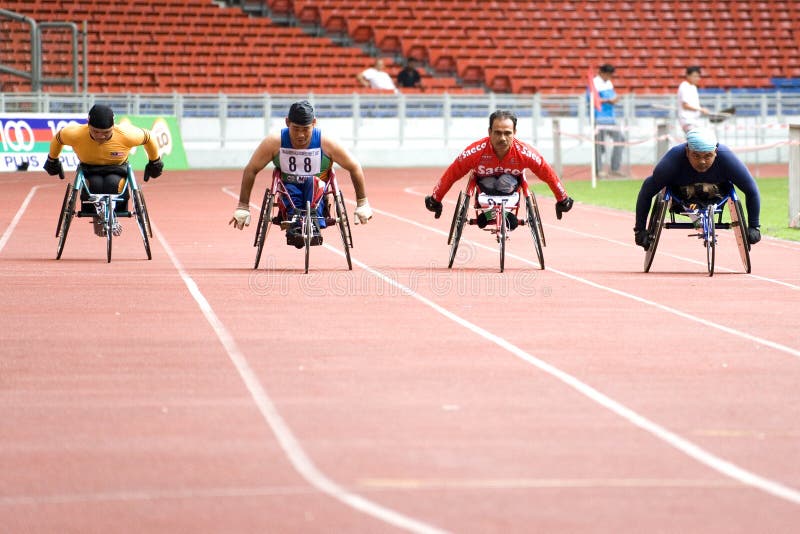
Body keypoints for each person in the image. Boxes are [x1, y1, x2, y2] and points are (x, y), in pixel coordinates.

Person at [229, 100, 373, 248]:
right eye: (295, 129)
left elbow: (354, 167)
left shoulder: (327, 142)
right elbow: (251, 169)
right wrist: (243, 206)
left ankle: (314, 222)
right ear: (287, 123)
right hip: (288, 190)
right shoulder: (274, 142)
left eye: (305, 129)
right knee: (290, 188)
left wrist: (362, 203)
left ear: (314, 123)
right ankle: (295, 225)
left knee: (312, 181)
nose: (300, 135)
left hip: (318, 192)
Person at [423, 109, 574, 226]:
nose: (502, 138)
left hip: (510, 189)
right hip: (484, 187)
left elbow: (548, 174)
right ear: (489, 132)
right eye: (497, 133)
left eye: (507, 133)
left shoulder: (524, 152)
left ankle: (497, 216)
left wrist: (562, 199)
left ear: (515, 133)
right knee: (490, 182)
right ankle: (492, 215)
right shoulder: (474, 152)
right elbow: (452, 173)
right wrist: (436, 199)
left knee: (505, 180)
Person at [42, 104, 163, 236]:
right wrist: (52, 160)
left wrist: (154, 162)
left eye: (106, 132)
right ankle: (104, 214)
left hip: (117, 169)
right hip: (89, 170)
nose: (100, 136)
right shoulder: (75, 134)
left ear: (113, 127)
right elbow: (58, 138)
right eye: (95, 131)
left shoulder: (127, 135)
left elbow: (149, 137)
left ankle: (108, 213)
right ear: (88, 125)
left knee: (112, 184)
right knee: (95, 185)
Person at [633, 128, 761, 250]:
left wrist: (754, 226)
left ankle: (700, 214)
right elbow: (646, 192)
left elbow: (751, 190)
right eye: (696, 156)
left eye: (708, 156)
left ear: (716, 152)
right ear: (687, 151)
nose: (702, 162)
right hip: (681, 197)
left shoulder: (727, 159)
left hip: (715, 196)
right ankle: (695, 215)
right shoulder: (672, 161)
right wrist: (640, 229)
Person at [590, 63, 625, 178]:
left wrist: (615, 99)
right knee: (599, 145)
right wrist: (607, 100)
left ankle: (615, 168)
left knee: (620, 139)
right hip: (599, 117)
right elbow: (591, 99)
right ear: (601, 72)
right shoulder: (594, 83)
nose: (609, 77)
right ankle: (599, 171)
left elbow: (612, 97)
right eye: (607, 75)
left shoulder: (609, 83)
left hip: (611, 118)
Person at [677, 66, 711, 134]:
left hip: (694, 120)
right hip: (687, 120)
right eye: (695, 76)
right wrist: (701, 109)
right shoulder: (684, 86)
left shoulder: (693, 87)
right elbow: (685, 105)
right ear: (687, 75)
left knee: (695, 142)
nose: (697, 79)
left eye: (698, 76)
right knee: (696, 141)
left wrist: (700, 109)